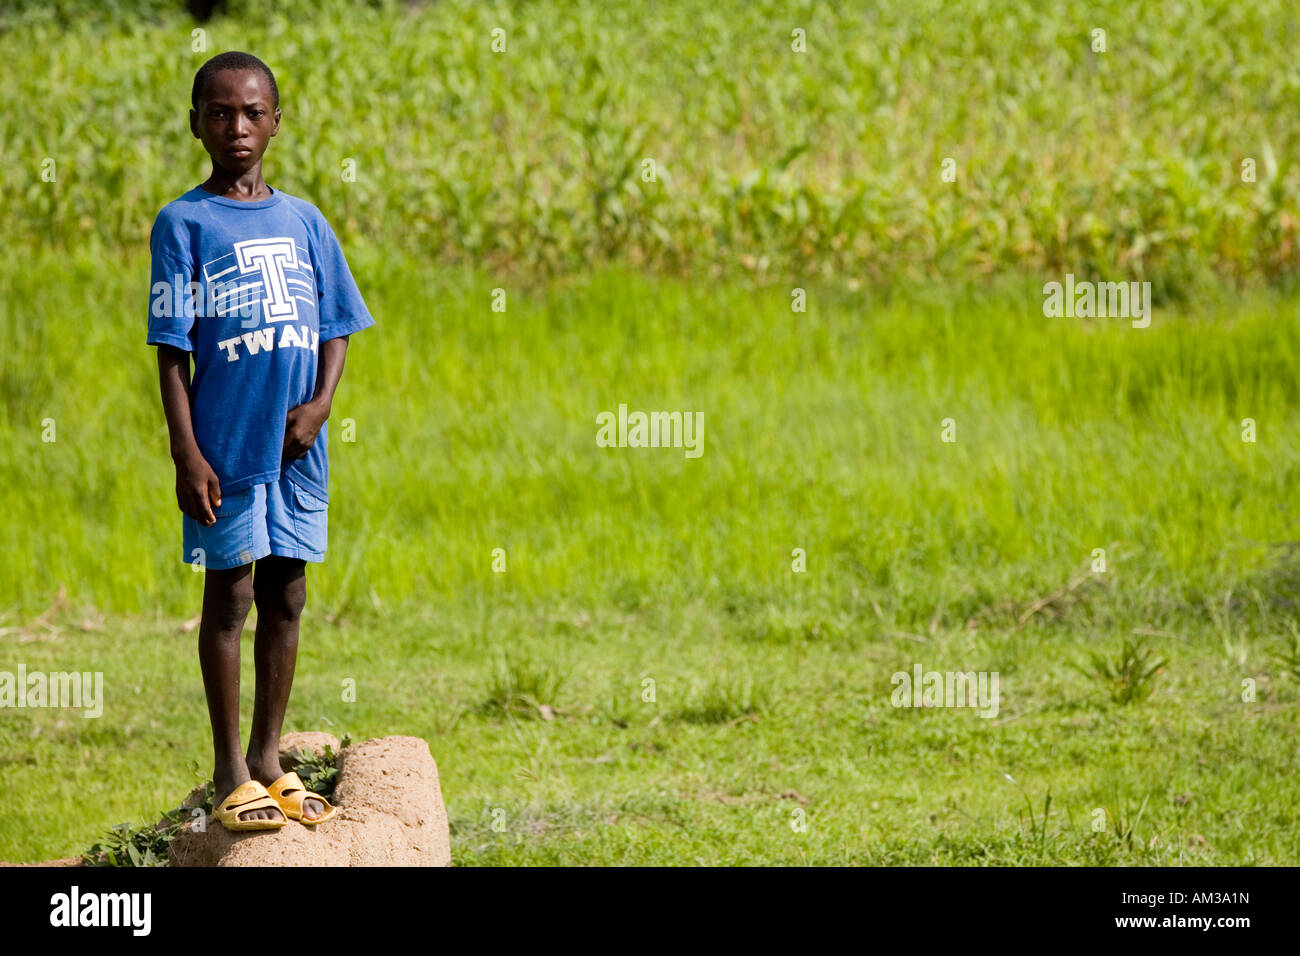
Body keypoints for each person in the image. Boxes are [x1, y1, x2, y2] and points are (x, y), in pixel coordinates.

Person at [147, 51, 374, 831]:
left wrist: (319, 405)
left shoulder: (305, 220)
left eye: (251, 113)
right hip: (227, 446)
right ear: (195, 124)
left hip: (300, 452)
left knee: (287, 592)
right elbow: (172, 348)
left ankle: (271, 758)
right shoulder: (184, 223)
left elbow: (339, 324)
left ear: (277, 120)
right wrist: (187, 452)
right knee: (231, 596)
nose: (236, 127)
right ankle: (228, 774)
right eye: (219, 113)